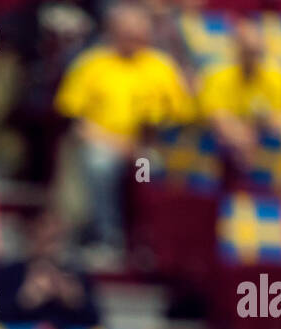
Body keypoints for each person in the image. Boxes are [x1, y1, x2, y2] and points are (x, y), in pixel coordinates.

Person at [53, 1, 194, 268]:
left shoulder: (161, 66)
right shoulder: (91, 64)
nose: (136, 42)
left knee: (155, 169)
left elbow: (181, 117)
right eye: (129, 36)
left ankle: (151, 245)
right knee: (99, 164)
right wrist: (118, 144)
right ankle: (108, 240)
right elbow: (75, 121)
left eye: (141, 37)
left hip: (149, 148)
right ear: (112, 33)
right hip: (103, 144)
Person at [195, 19, 281, 168]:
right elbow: (219, 121)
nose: (253, 59)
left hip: (264, 143)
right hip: (221, 149)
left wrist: (257, 129)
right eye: (248, 53)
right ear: (236, 50)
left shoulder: (278, 78)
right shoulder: (216, 76)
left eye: (257, 53)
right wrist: (246, 134)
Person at [0, 209, 99, 329]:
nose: (50, 247)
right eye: (45, 239)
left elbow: (97, 322)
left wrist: (76, 302)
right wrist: (24, 300)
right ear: (30, 236)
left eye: (55, 239)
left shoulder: (76, 276)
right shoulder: (6, 273)